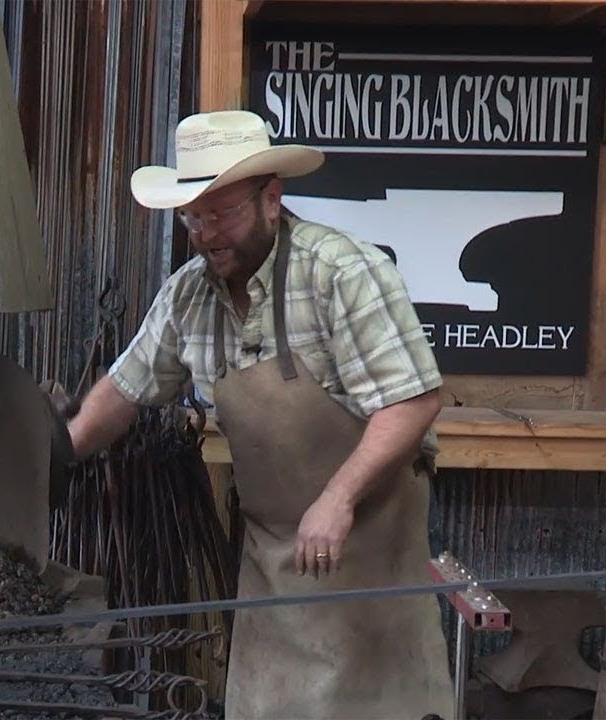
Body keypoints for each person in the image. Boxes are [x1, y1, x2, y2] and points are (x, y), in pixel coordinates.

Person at [63, 110, 455, 719]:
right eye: (193, 216)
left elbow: (411, 402)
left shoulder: (341, 274)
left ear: (271, 199)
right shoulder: (188, 296)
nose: (205, 232)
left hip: (368, 554)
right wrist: (55, 457)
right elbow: (123, 390)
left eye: (221, 213)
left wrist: (338, 499)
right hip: (274, 560)